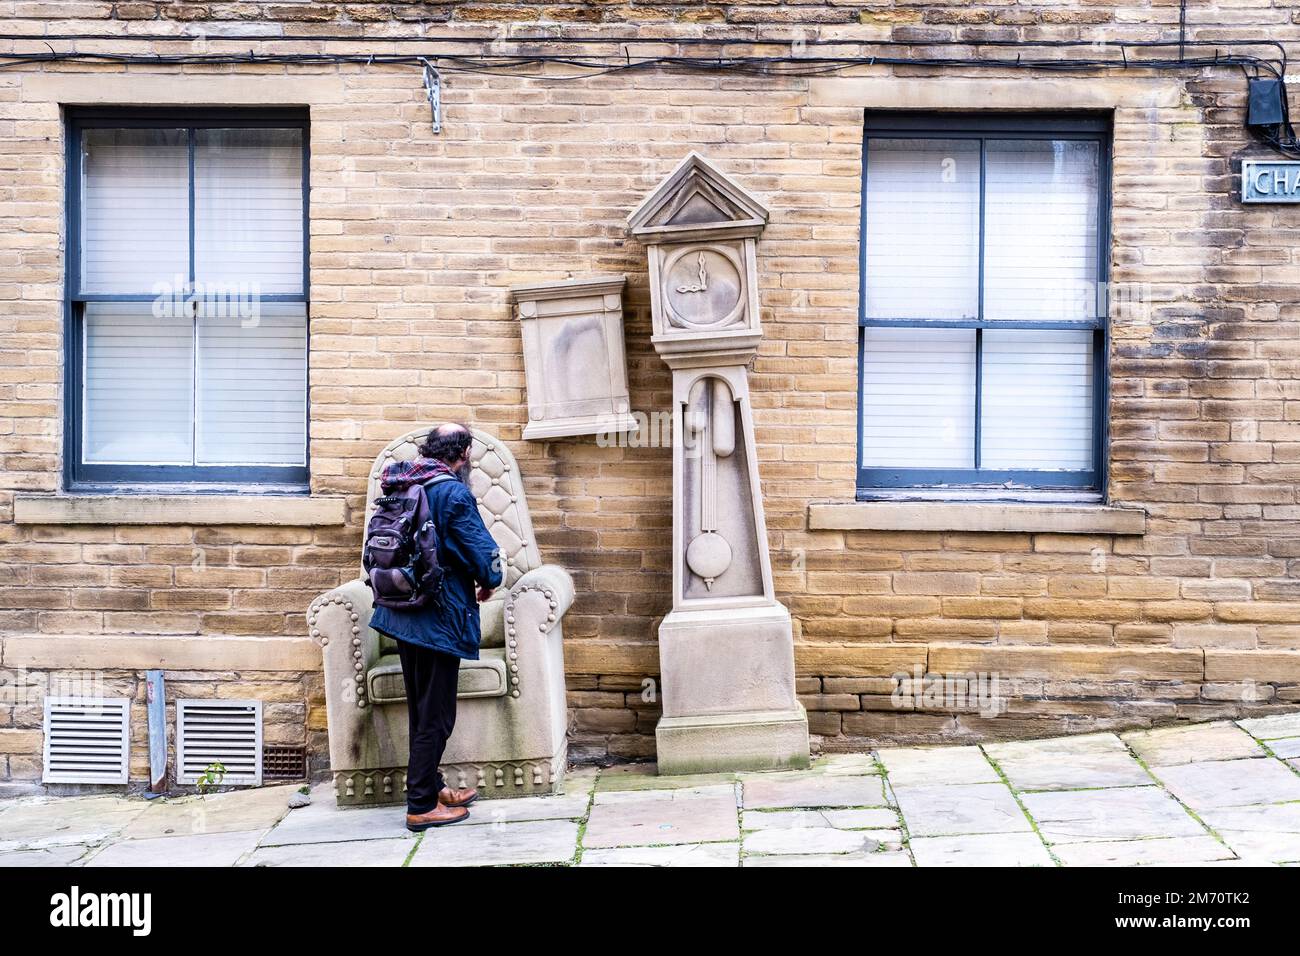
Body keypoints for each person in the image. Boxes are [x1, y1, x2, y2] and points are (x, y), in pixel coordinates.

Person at [370, 423, 503, 831]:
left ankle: (431, 785)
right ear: (461, 455)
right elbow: (483, 552)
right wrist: (490, 579)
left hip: (402, 611)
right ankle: (421, 805)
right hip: (438, 617)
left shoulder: (402, 482)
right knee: (437, 715)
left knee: (421, 708)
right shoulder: (452, 491)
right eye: (469, 455)